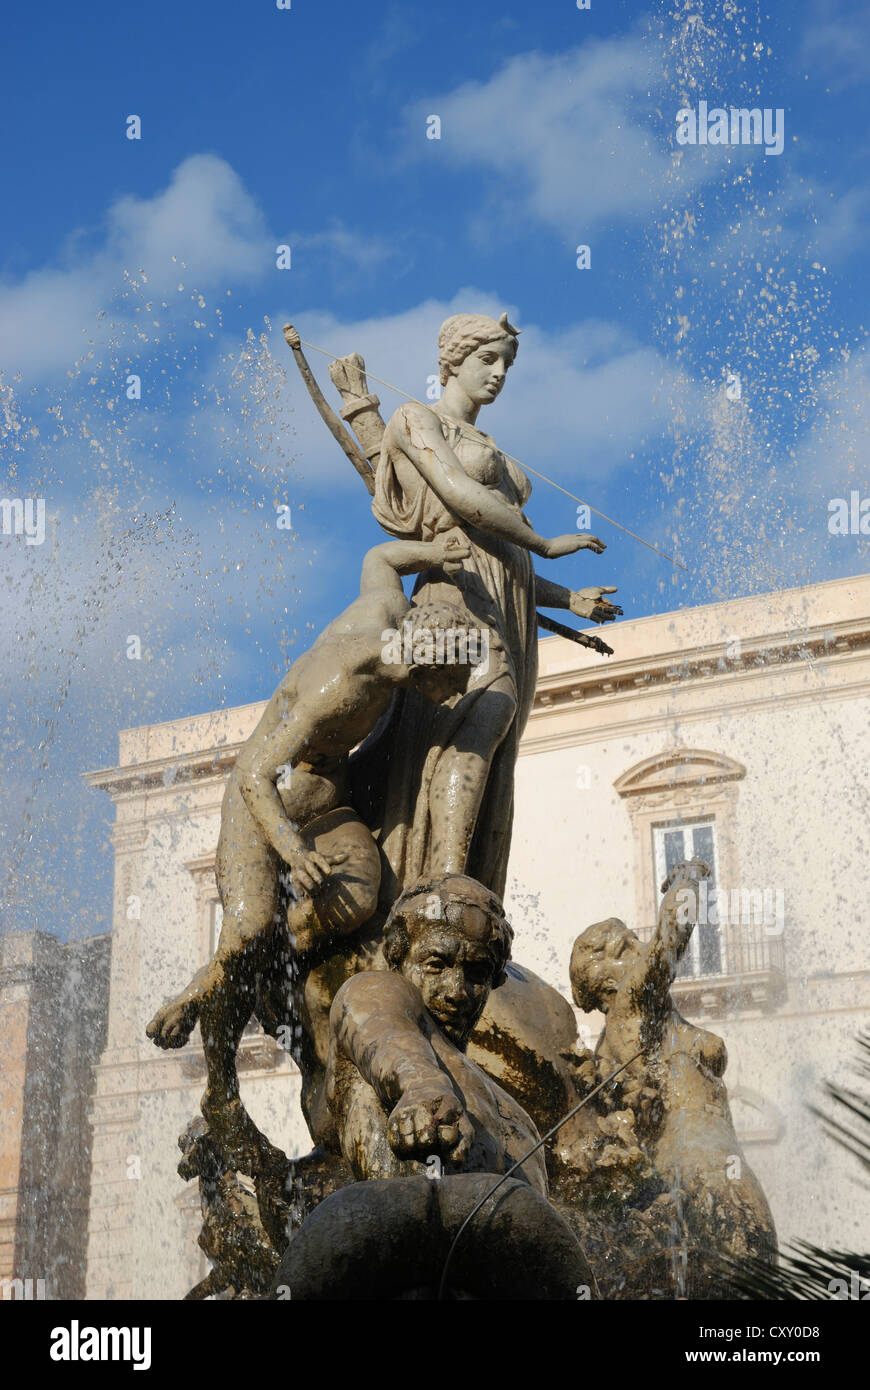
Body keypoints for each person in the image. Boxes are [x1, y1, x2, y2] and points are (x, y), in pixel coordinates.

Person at [146, 531, 482, 1158]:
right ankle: (203, 986)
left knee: (361, 891)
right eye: (453, 679)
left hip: (322, 794)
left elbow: (377, 557)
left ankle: (279, 952)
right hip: (259, 804)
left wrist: (435, 556)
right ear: (425, 660)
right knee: (247, 930)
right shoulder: (343, 685)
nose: (455, 694)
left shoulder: (385, 616)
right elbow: (252, 774)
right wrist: (292, 852)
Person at [351, 311, 622, 903]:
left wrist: (567, 598)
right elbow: (461, 497)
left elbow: (502, 554)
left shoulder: (489, 443)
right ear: (451, 359)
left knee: (498, 750)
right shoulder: (415, 419)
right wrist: (547, 545)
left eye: (507, 363)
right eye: (487, 359)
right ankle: (444, 882)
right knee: (483, 711)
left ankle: (469, 880)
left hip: (509, 607)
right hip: (453, 600)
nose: (499, 373)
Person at [569, 859, 776, 1260]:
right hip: (704, 1164)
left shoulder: (620, 1040)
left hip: (685, 1167)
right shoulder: (631, 1007)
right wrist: (689, 876)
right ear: (608, 984)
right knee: (755, 1268)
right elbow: (671, 937)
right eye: (626, 946)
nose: (640, 948)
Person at [326, 873, 547, 1194]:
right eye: (436, 964)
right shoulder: (373, 991)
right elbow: (382, 1032)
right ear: (398, 960)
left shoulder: (515, 1113)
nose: (457, 991)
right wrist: (421, 1088)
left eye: (477, 972)